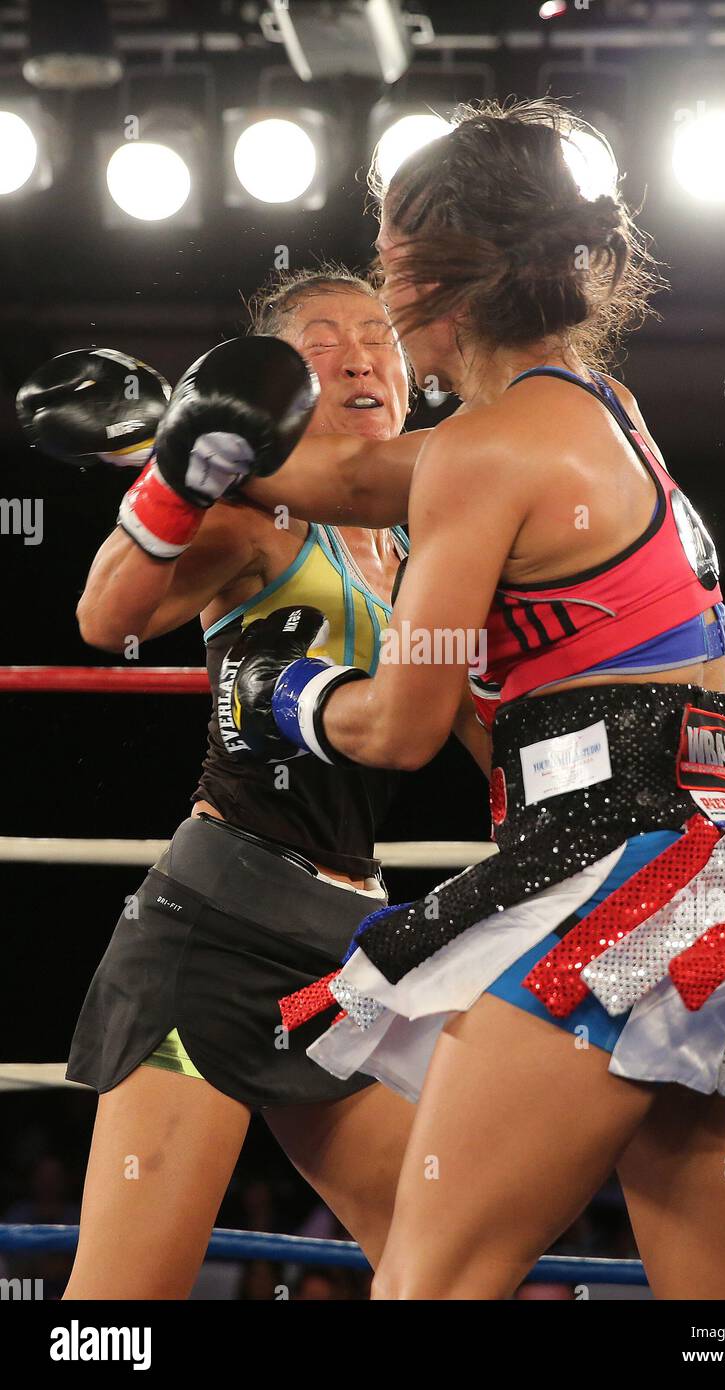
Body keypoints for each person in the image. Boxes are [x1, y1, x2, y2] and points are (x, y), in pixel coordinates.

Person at [231, 101, 725, 1300]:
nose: (379, 286)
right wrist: (169, 448)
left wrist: (288, 697)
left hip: (627, 875)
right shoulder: (597, 406)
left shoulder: (486, 450)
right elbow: (356, 476)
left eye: (386, 258)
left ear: (430, 277)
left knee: (428, 1284)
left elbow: (403, 725)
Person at [18, 266, 483, 1300]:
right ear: (281, 382)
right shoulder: (257, 520)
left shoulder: (426, 544)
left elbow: (471, 724)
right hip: (218, 935)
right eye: (323, 341)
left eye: (377, 337)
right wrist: (178, 479)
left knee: (449, 1268)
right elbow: (106, 617)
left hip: (346, 953)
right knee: (118, 1313)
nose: (359, 358)